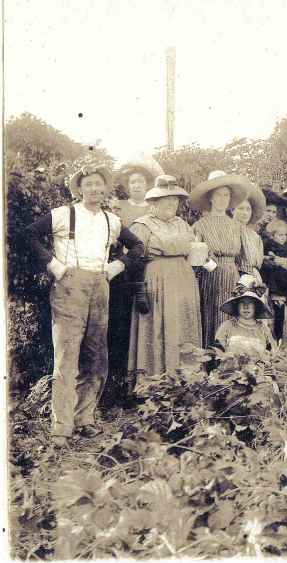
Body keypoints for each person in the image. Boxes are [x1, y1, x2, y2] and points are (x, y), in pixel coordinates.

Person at [26, 162, 145, 447]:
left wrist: (116, 266)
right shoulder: (62, 215)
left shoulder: (111, 220)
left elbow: (138, 247)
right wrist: (54, 266)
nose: (95, 189)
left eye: (99, 184)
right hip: (69, 286)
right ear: (79, 188)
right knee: (67, 356)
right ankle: (61, 428)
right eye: (88, 184)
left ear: (105, 188)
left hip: (100, 287)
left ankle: (85, 419)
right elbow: (28, 234)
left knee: (96, 356)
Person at [128, 174, 202, 378]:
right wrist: (139, 289)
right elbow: (132, 261)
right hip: (157, 282)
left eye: (175, 199)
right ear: (154, 202)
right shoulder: (142, 225)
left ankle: (186, 379)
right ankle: (155, 381)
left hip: (184, 282)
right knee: (159, 328)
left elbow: (195, 252)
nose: (171, 203)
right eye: (166, 199)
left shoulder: (183, 224)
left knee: (182, 326)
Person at [105, 155, 163, 407]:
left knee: (142, 323)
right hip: (122, 273)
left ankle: (140, 383)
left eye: (141, 181)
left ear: (148, 185)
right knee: (119, 325)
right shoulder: (118, 208)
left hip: (147, 271)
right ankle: (115, 384)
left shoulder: (154, 209)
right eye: (132, 182)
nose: (137, 185)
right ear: (127, 185)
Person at [189, 170, 255, 348]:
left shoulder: (237, 226)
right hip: (209, 279)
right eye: (219, 194)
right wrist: (212, 268)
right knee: (210, 318)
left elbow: (246, 261)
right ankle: (210, 365)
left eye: (226, 195)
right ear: (210, 197)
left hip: (233, 281)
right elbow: (195, 258)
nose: (223, 199)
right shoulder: (199, 226)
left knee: (232, 320)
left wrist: (243, 285)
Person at [214, 283, 275, 354]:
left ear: (256, 307)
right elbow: (218, 353)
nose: (246, 307)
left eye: (250, 303)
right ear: (237, 306)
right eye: (242, 303)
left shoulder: (263, 329)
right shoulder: (226, 327)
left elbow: (272, 353)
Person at [260, 218, 287, 339]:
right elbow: (268, 268)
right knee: (274, 316)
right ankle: (272, 340)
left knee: (283, 317)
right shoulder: (269, 249)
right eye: (280, 235)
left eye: (285, 235)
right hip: (274, 286)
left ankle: (281, 339)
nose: (283, 238)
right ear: (272, 235)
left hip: (286, 286)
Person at [232, 184, 268, 286]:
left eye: (248, 209)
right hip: (235, 277)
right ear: (232, 210)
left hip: (254, 278)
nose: (245, 213)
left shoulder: (255, 236)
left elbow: (258, 264)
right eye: (241, 208)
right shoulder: (229, 230)